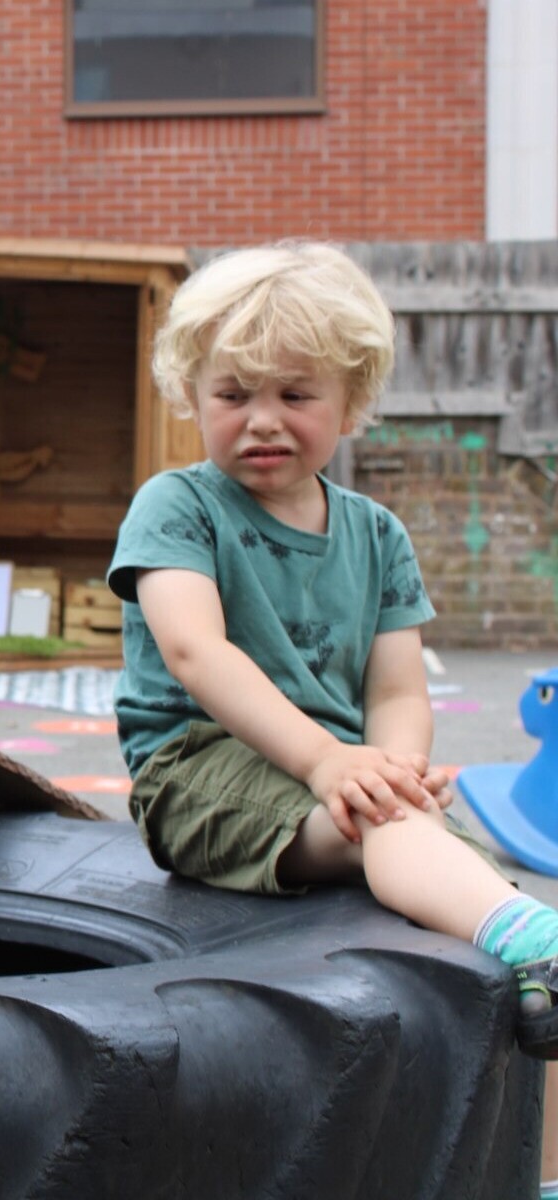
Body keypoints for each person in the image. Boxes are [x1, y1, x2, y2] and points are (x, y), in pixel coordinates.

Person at [112, 242, 558, 1058]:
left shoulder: (378, 535)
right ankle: (536, 938)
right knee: (389, 829)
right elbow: (194, 651)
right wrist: (329, 762)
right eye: (233, 394)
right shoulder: (177, 507)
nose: (263, 418)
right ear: (192, 395)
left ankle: (538, 1003)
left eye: (295, 394)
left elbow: (396, 691)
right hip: (198, 768)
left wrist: (396, 767)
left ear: (351, 405)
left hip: (337, 775)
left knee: (488, 924)